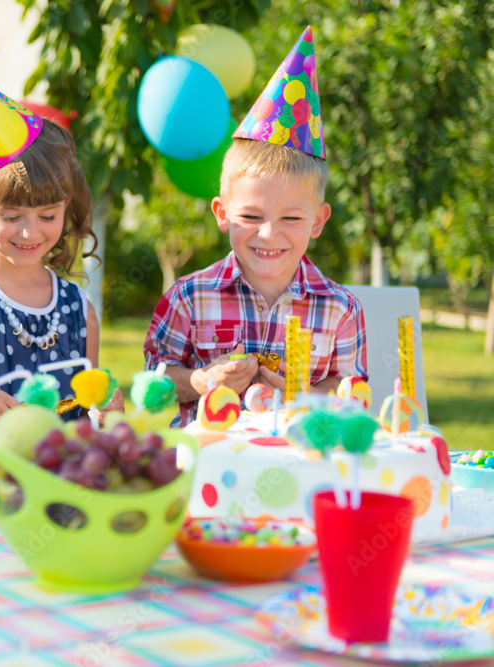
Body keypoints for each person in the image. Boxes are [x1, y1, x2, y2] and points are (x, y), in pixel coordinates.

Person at [144, 26, 368, 427]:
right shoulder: (188, 298)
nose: (268, 234)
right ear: (222, 212)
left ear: (317, 221)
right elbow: (153, 384)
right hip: (209, 469)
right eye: (250, 216)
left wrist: (303, 396)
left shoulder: (340, 309)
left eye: (291, 218)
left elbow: (350, 391)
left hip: (301, 467)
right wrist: (201, 380)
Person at [0, 52, 120, 481]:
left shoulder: (76, 308)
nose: (29, 233)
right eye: (11, 216)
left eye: (47, 216)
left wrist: (109, 409)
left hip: (66, 483)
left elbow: (86, 413)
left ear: (66, 208)